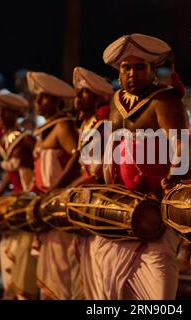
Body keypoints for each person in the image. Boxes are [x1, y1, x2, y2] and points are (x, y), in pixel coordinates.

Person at [93, 33, 191, 300]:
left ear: (152, 70)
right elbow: (111, 146)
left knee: (159, 282)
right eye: (126, 68)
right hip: (122, 207)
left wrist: (174, 177)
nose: (132, 74)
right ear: (119, 71)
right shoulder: (116, 101)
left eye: (139, 67)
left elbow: (182, 145)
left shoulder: (165, 99)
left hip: (157, 206)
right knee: (115, 285)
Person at [26, 71, 83, 299]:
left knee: (62, 272)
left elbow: (76, 160)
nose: (38, 102)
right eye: (37, 97)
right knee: (50, 275)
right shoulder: (46, 130)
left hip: (59, 207)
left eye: (44, 97)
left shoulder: (63, 127)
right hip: (47, 206)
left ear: (58, 101)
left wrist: (52, 192)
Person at [0, 91, 38, 299]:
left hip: (29, 198)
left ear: (14, 114)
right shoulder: (5, 140)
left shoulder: (25, 140)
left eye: (4, 111)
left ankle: (24, 291)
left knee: (24, 251)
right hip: (18, 197)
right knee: (9, 248)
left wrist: (30, 195)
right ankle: (11, 290)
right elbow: (11, 173)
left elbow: (35, 171)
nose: (0, 115)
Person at [71, 66, 113, 299]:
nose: (77, 99)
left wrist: (71, 189)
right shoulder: (87, 125)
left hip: (96, 199)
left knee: (98, 275)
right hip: (84, 198)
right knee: (85, 272)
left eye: (83, 93)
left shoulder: (101, 126)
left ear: (98, 97)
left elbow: (97, 172)